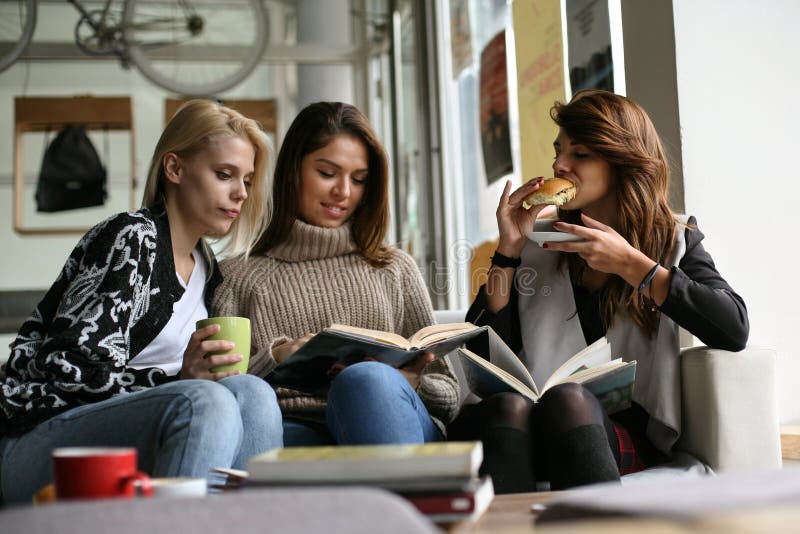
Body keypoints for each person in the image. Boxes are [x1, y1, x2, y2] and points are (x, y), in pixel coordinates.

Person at [449, 90, 749, 493]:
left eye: (580, 153)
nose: (559, 164)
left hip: (612, 428)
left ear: (621, 161)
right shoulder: (537, 241)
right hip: (524, 423)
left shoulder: (672, 238)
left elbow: (732, 327)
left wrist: (632, 264)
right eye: (559, 151)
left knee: (567, 401)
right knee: (507, 408)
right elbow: (481, 359)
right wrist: (509, 251)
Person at [0, 100, 283, 504]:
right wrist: (178, 382)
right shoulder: (132, 239)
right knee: (206, 401)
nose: (240, 193)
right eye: (224, 175)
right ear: (175, 169)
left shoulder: (206, 266)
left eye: (248, 180)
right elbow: (66, 372)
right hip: (38, 441)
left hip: (132, 436)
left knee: (253, 394)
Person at [214, 101, 460, 446]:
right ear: (291, 172)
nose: (343, 192)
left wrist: (407, 381)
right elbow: (223, 394)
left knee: (366, 382)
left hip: (393, 420)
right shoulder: (238, 277)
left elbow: (448, 394)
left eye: (358, 179)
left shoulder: (394, 269)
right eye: (327, 173)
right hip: (294, 431)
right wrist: (275, 359)